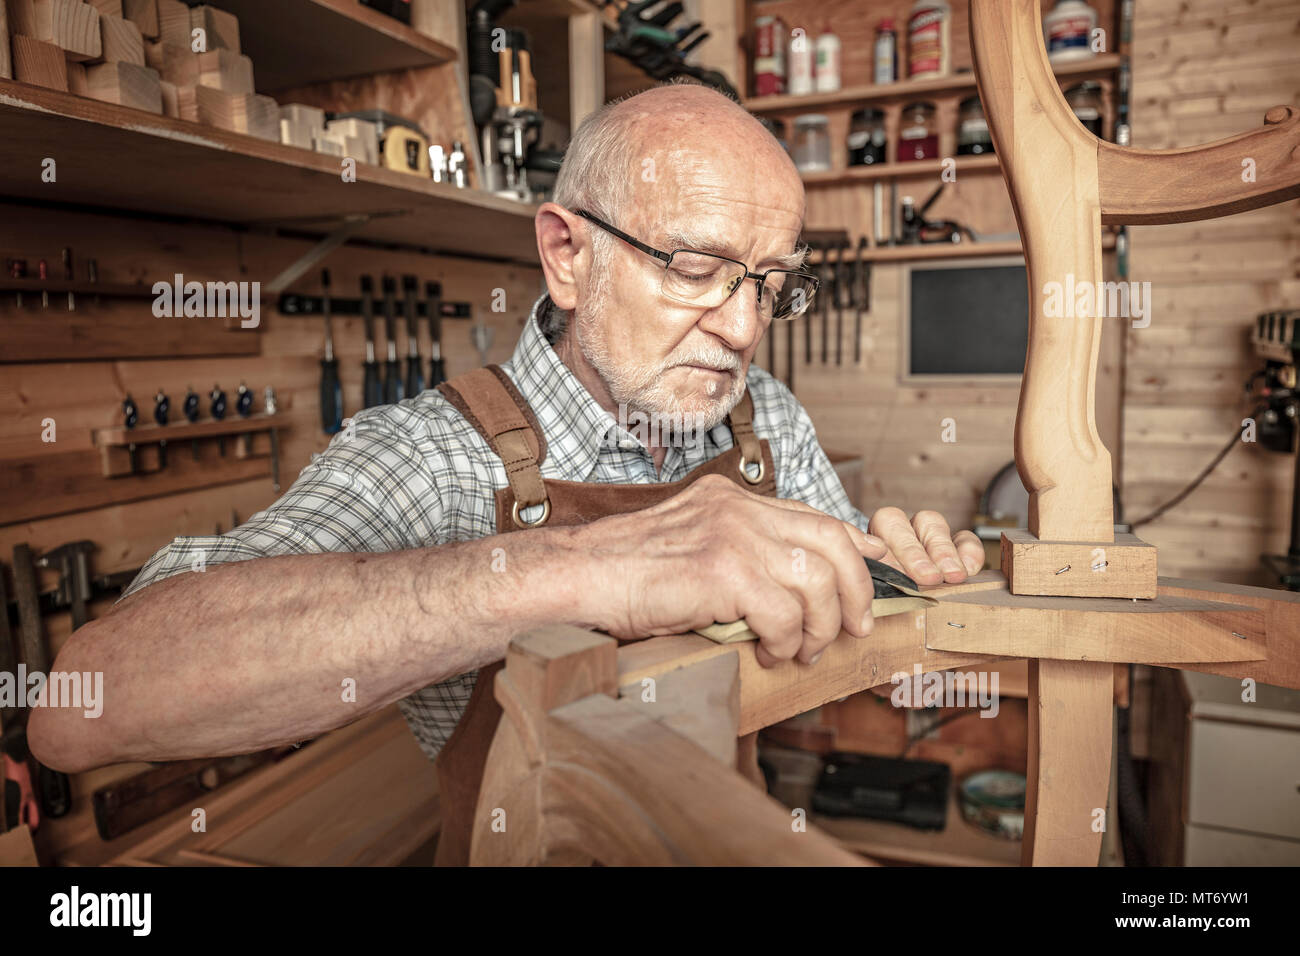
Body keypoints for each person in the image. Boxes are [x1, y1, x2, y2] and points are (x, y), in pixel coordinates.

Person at [31, 83, 983, 773]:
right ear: (567, 255)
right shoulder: (430, 457)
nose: (743, 328)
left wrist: (895, 593)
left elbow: (845, 648)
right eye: (695, 269)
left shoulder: (765, 417)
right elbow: (88, 706)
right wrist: (588, 565)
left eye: (770, 285)